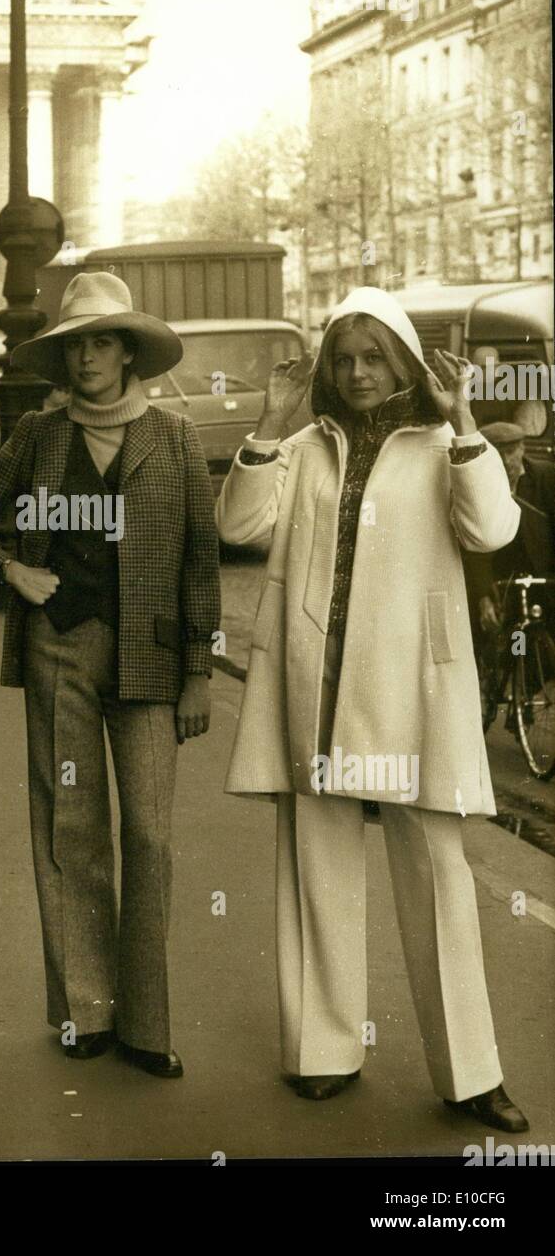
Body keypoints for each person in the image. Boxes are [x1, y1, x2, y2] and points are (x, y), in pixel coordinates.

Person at [215, 284, 530, 1132]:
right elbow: (239, 527)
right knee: (316, 866)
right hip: (314, 686)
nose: (356, 374)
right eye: (342, 360)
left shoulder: (439, 444)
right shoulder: (305, 446)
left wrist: (464, 423)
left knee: (436, 876)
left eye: (373, 358)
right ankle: (322, 1051)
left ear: (401, 363)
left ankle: (469, 1074)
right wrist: (268, 426)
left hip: (411, 691)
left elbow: (492, 530)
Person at [0, 271, 220, 1078]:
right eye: (75, 345)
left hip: (152, 663)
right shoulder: (38, 435)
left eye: (103, 341)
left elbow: (201, 563)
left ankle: (147, 1024)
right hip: (60, 650)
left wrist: (198, 671)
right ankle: (85, 1013)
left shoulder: (172, 436)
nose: (88, 357)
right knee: (70, 832)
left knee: (150, 834)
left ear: (128, 352)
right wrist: (11, 573)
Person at [463, 420, 555, 647]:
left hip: (546, 578)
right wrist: (484, 596)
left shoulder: (546, 476)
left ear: (523, 448)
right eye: (497, 454)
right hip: (504, 585)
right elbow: (476, 546)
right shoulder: (480, 485)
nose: (505, 461)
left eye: (512, 452)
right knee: (514, 649)